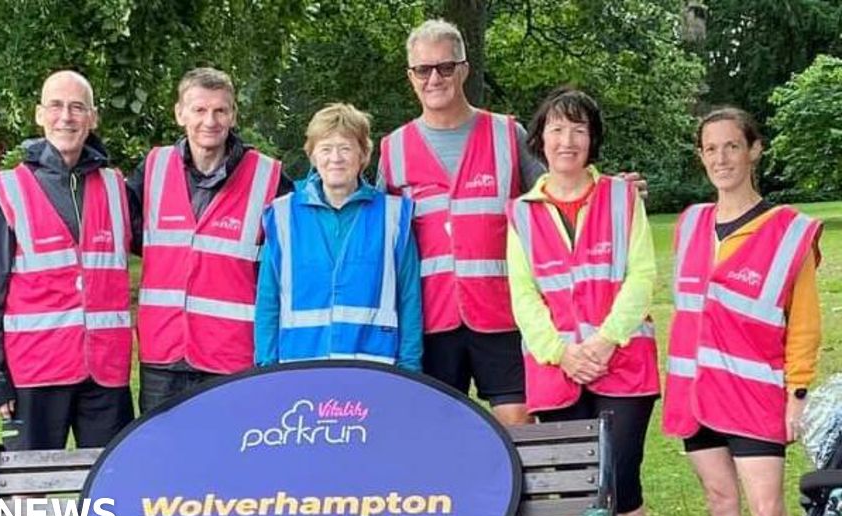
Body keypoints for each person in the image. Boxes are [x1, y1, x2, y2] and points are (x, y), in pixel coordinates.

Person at [378, 19, 647, 426]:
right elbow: (377, 234)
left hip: (502, 312)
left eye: (446, 67)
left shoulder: (508, 134)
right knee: (432, 432)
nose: (434, 78)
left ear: (464, 69)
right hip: (431, 318)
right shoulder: (392, 148)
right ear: (410, 76)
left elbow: (557, 189)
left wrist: (609, 189)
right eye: (423, 69)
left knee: (518, 429)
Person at [663, 107, 822, 516]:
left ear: (754, 150)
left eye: (732, 146)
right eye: (710, 149)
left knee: (770, 514)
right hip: (696, 397)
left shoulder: (788, 230)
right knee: (719, 503)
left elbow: (806, 325)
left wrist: (797, 394)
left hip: (753, 396)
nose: (721, 158)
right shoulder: (690, 223)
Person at [506, 87, 659, 516]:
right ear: (540, 138)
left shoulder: (621, 196)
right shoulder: (521, 211)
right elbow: (523, 295)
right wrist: (562, 352)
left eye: (578, 129)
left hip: (624, 362)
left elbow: (642, 275)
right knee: (572, 482)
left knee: (622, 479)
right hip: (556, 370)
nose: (566, 140)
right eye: (556, 128)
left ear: (592, 140)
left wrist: (603, 341)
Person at [0, 70, 134, 450]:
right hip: (34, 375)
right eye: (56, 106)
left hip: (106, 374)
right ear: (39, 115)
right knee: (28, 495)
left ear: (92, 118)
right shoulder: (8, 192)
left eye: (78, 107)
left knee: (110, 489)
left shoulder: (115, 188)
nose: (67, 117)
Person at [127, 68, 293, 413]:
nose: (210, 120)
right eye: (200, 109)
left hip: (231, 355)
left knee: (229, 462)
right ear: (180, 113)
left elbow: (289, 263)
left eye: (220, 110)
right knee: (162, 461)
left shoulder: (268, 177)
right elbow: (120, 234)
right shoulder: (152, 169)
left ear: (233, 115)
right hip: (163, 355)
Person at [255, 103, 422, 370]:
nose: (336, 158)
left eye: (345, 148)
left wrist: (410, 367)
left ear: (363, 155)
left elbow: (409, 297)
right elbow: (268, 299)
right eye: (325, 148)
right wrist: (267, 366)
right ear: (312, 156)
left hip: (374, 366)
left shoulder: (394, 216)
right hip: (299, 365)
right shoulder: (281, 214)